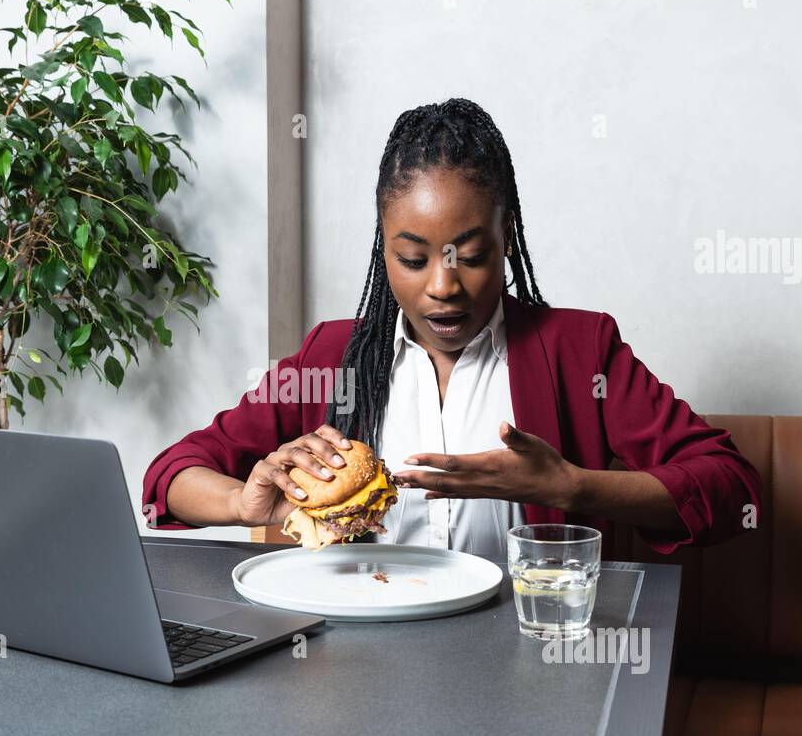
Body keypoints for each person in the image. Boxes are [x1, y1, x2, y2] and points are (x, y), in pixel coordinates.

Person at [142, 98, 760, 560]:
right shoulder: (333, 356)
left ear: (507, 240)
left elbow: (731, 486)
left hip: (525, 655)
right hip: (359, 667)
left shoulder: (579, 351)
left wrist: (573, 487)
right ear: (383, 253)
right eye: (412, 260)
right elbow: (171, 474)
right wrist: (239, 501)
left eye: (472, 254)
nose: (443, 286)